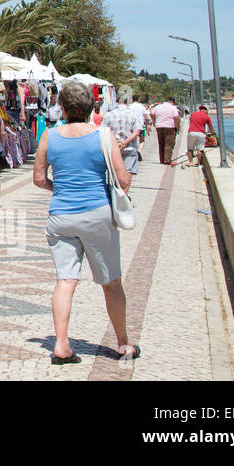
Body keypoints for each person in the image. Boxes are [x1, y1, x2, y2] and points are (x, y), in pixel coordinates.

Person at [32, 81, 138, 365]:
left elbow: (39, 179)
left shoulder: (48, 137)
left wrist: (63, 189)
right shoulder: (103, 135)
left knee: (65, 281)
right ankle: (123, 343)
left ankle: (62, 345)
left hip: (60, 217)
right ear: (92, 108)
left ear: (62, 109)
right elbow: (124, 180)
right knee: (111, 282)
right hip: (97, 215)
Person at [103, 86, 145, 175]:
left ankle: (114, 188)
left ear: (117, 100)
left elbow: (103, 131)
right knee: (127, 174)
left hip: (113, 148)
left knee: (113, 173)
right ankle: (124, 189)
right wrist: (124, 143)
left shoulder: (108, 114)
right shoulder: (134, 115)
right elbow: (137, 132)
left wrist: (116, 142)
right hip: (130, 148)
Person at [151, 97, 181, 166]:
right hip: (169, 127)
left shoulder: (158, 107)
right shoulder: (172, 107)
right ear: (172, 102)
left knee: (161, 143)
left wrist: (154, 122)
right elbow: (176, 117)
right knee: (169, 144)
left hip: (159, 126)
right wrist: (177, 127)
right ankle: (167, 160)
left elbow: (152, 113)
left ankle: (162, 160)